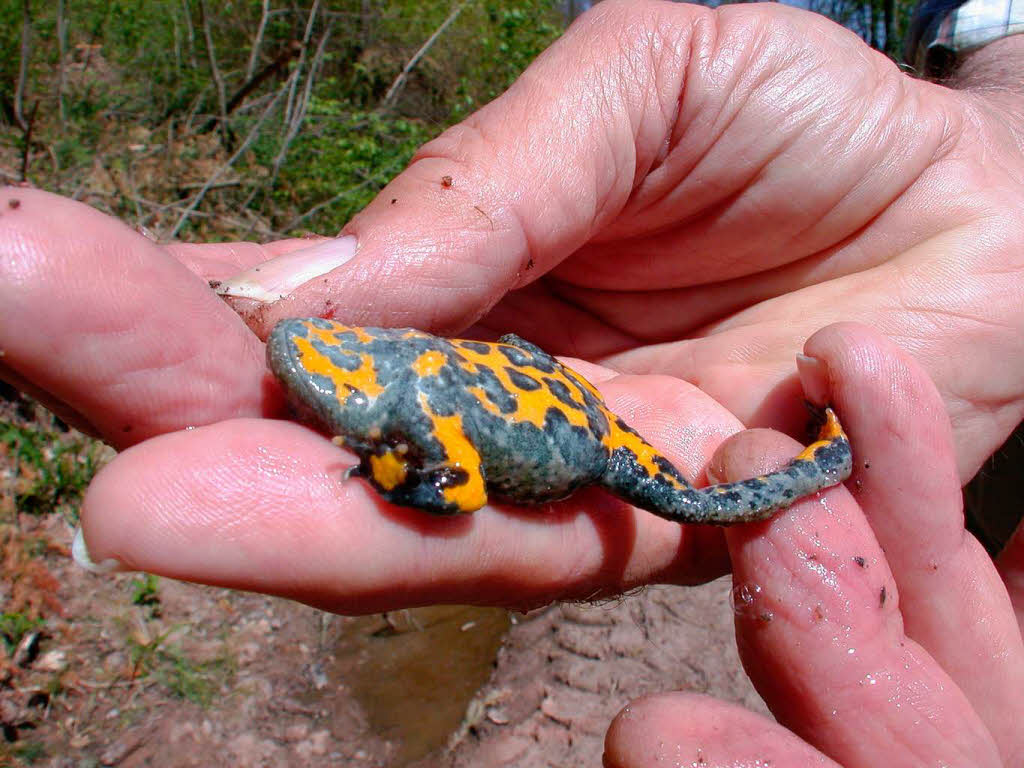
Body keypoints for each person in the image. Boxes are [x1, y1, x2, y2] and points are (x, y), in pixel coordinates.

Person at [0, 0, 1020, 764]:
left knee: (718, 497)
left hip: (577, 443)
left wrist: (391, 476)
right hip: (559, 401)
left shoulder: (412, 418)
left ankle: (829, 456)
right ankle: (830, 453)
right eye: (333, 371)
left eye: (336, 370)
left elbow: (453, 491)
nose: (322, 368)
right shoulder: (401, 374)